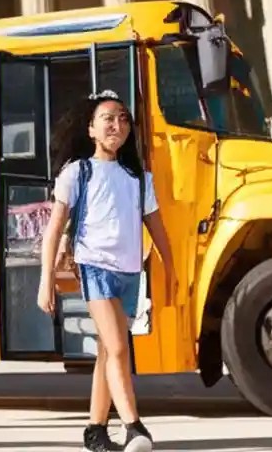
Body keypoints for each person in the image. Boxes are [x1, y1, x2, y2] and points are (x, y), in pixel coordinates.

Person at [36, 91, 176, 452]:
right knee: (118, 347)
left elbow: (157, 227)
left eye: (123, 119)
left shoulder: (138, 178)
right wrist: (45, 280)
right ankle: (134, 427)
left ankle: (95, 431)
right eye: (108, 119)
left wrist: (170, 269)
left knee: (106, 353)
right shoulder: (77, 172)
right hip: (94, 267)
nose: (117, 125)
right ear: (91, 129)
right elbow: (53, 230)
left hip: (129, 272)